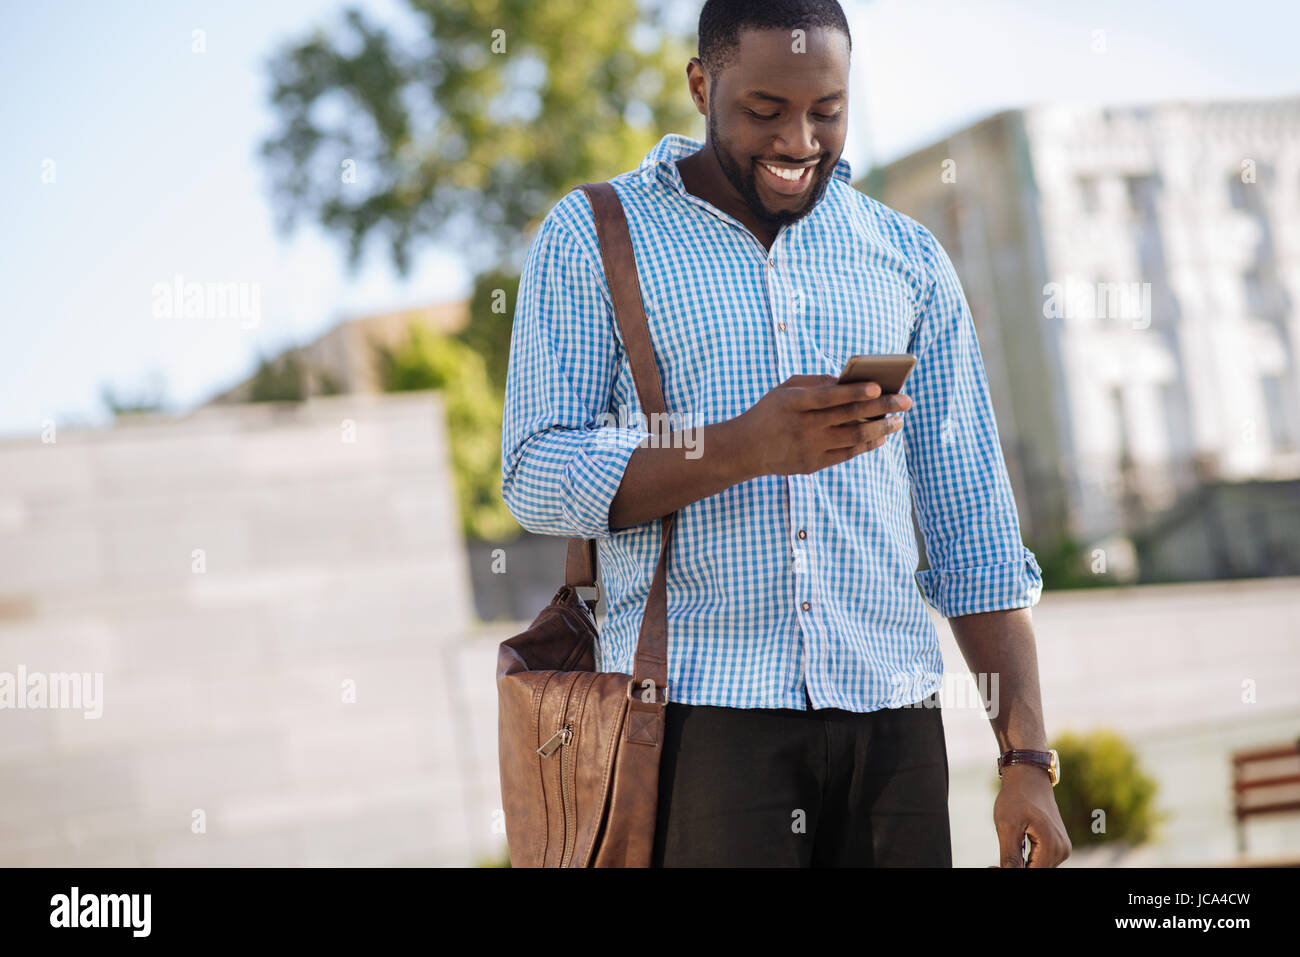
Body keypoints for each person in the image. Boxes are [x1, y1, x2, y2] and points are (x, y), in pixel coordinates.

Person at [501, 0, 1071, 867]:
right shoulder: (595, 236)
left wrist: (1025, 756)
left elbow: (975, 528)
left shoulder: (906, 258)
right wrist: (743, 447)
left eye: (826, 111)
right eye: (764, 111)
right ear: (702, 85)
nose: (799, 141)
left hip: (895, 728)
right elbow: (535, 472)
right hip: (701, 721)